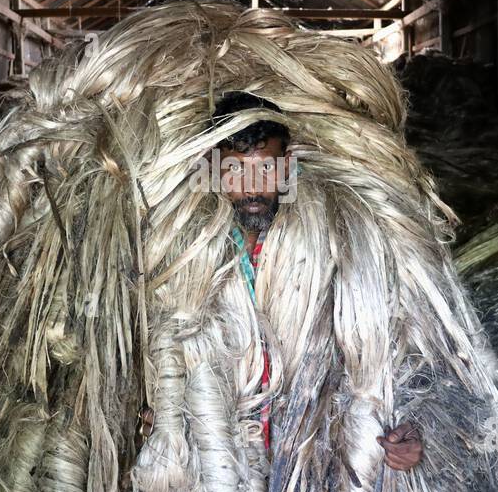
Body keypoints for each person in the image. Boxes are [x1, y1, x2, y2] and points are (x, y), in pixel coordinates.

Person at [140, 91, 423, 471]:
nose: (253, 187)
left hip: (316, 473)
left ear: (288, 166)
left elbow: (392, 355)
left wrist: (408, 432)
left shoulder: (336, 246)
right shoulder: (182, 258)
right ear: (210, 165)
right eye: (235, 170)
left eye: (266, 170)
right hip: (223, 480)